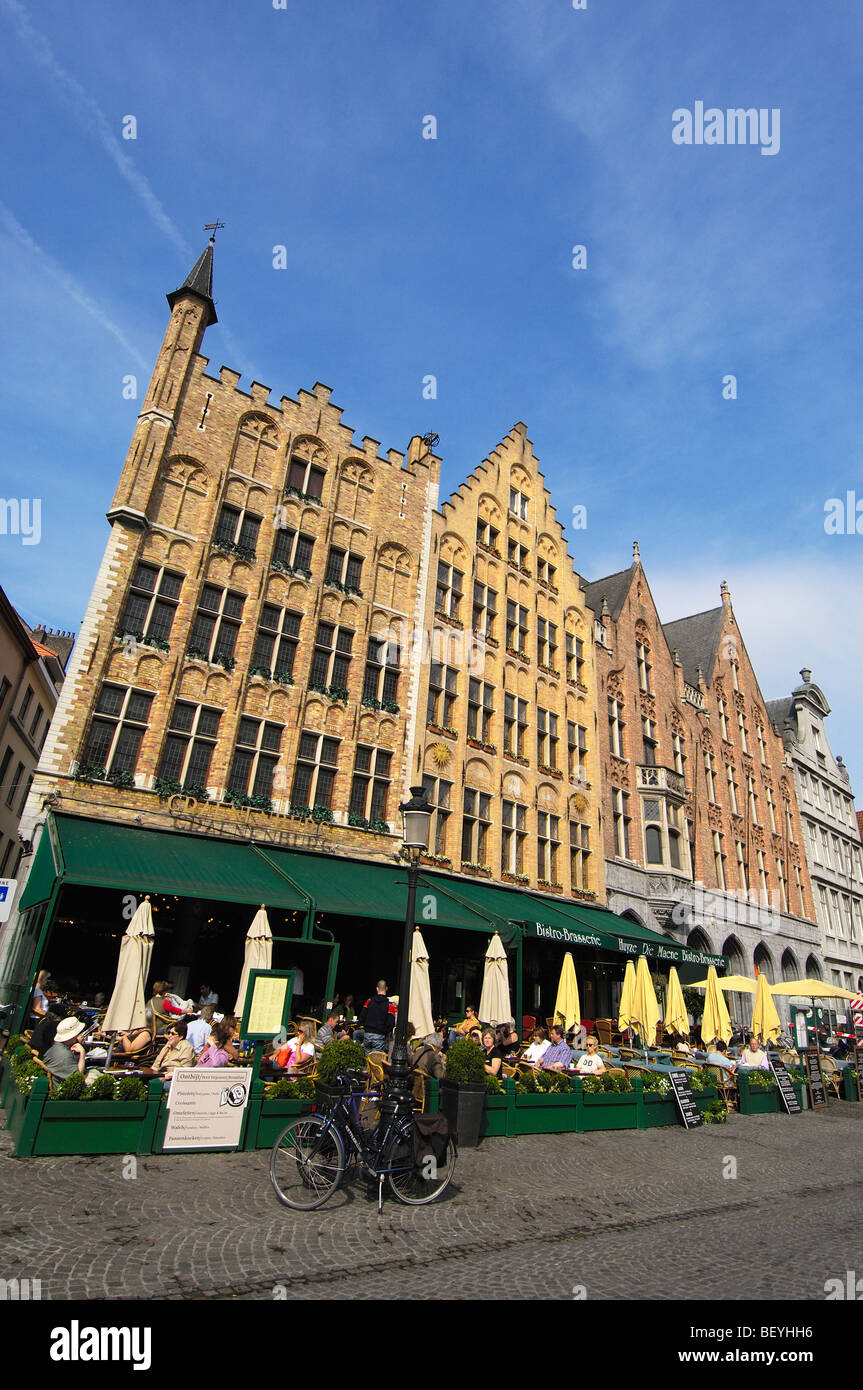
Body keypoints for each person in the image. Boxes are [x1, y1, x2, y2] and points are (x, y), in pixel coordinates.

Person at [42, 1017, 88, 1081]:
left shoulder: (55, 1047)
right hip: (63, 1085)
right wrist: (82, 1053)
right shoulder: (65, 1054)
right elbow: (78, 1079)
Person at [358, 980, 394, 1055]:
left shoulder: (369, 1001)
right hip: (379, 1035)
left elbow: (362, 1017)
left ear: (377, 989)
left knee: (367, 1058)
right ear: (386, 988)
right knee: (376, 1059)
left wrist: (364, 1026)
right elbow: (391, 1023)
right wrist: (385, 1031)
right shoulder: (390, 1005)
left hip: (367, 1033)